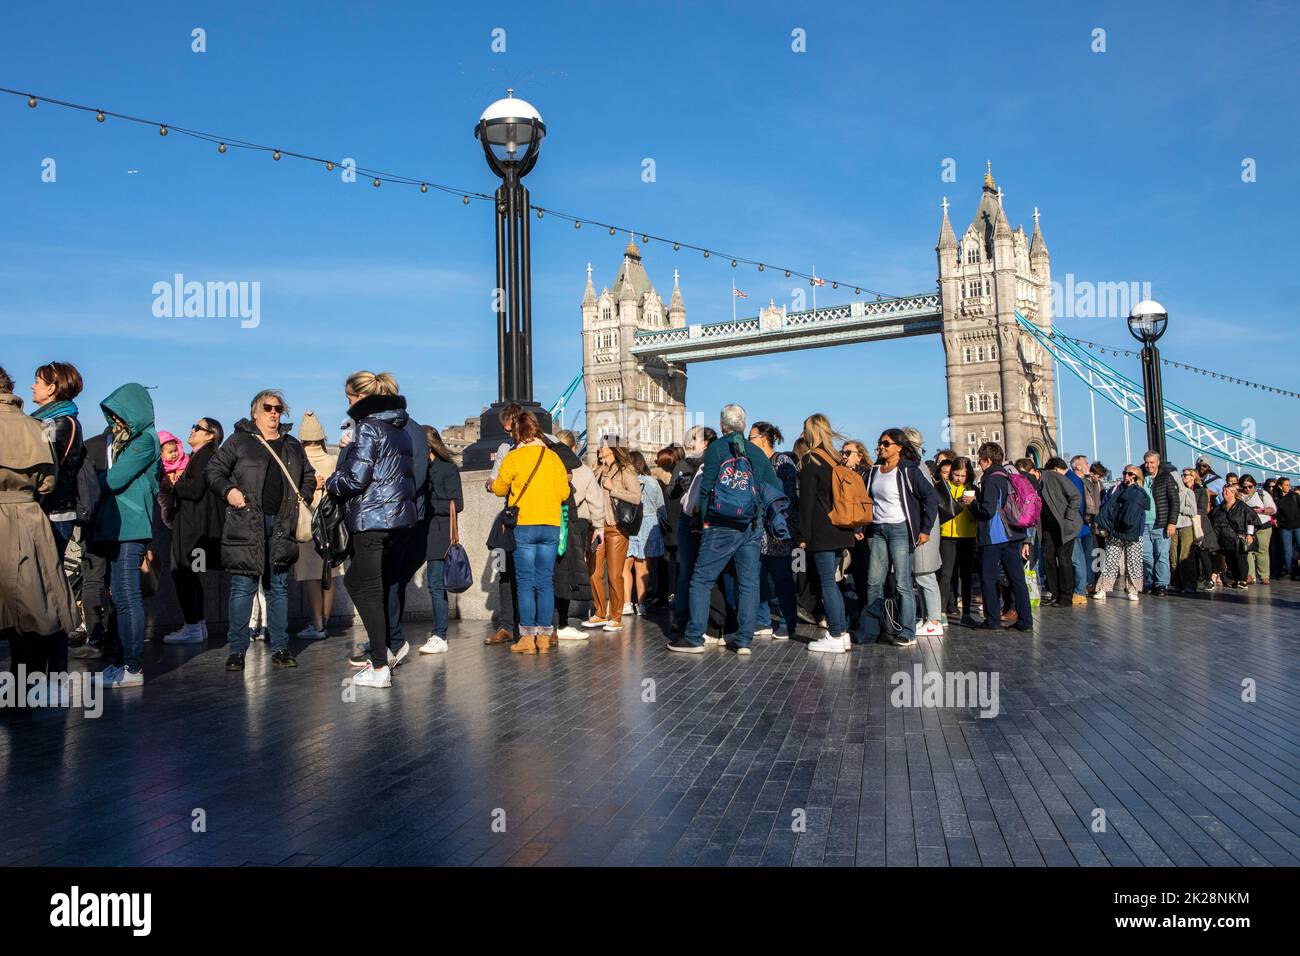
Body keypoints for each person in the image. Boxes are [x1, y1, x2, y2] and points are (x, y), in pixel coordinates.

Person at [207, 388, 316, 672]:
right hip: (246, 523)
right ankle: (237, 650)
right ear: (255, 412)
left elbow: (309, 477)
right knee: (242, 587)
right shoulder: (240, 440)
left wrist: (299, 500)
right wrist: (229, 491)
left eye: (278, 409)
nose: (273, 413)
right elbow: (213, 471)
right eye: (268, 408)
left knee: (278, 588)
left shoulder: (292, 445)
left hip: (282, 524)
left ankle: (280, 647)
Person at [666, 403, 781, 655]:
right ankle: (743, 641)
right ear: (743, 424)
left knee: (701, 579)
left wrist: (707, 522)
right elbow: (773, 486)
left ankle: (695, 637)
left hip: (720, 525)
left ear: (722, 425)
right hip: (751, 525)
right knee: (749, 583)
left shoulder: (717, 449)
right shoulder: (756, 452)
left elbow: (706, 489)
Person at [325, 371, 416, 686]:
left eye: (349, 399)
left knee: (361, 584)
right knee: (371, 584)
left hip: (373, 518)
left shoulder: (368, 428)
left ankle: (379, 667)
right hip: (398, 519)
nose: (348, 406)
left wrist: (330, 480)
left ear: (361, 398)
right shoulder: (398, 428)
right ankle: (383, 656)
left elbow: (354, 480)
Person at [1, 367, 77, 685]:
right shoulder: (37, 426)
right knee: (33, 610)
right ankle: (27, 689)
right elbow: (48, 481)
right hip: (30, 520)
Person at [95, 383, 161, 687]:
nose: (116, 421)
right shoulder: (127, 440)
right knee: (121, 596)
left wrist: (88, 482)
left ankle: (132, 667)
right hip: (120, 526)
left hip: (131, 526)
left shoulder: (145, 440)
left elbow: (116, 478)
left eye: (120, 414)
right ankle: (123, 663)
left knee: (127, 596)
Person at [849, 427, 939, 648]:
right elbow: (868, 502)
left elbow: (931, 498)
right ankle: (871, 630)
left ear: (899, 447)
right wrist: (861, 525)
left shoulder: (908, 470)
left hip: (900, 530)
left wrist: (925, 529)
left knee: (902, 583)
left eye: (886, 443)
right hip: (879, 530)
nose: (881, 446)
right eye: (879, 443)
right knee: (873, 582)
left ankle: (907, 632)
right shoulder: (874, 471)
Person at [491, 411, 568, 654]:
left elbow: (499, 488)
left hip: (524, 524)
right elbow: (565, 493)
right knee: (545, 581)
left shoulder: (514, 457)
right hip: (550, 524)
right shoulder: (553, 457)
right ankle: (544, 638)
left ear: (517, 433)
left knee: (525, 582)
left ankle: (527, 639)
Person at [793, 415, 856, 652]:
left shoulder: (811, 460)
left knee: (827, 583)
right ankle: (842, 632)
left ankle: (836, 634)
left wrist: (802, 535)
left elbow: (807, 502)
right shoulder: (835, 459)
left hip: (822, 530)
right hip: (841, 528)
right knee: (833, 584)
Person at [161, 418, 226, 644]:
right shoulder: (202, 456)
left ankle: (193, 626)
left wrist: (173, 484)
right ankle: (197, 625)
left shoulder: (205, 456)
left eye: (198, 428)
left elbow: (195, 489)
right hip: (195, 526)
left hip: (192, 527)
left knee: (183, 572)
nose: (192, 430)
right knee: (190, 575)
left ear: (210, 435)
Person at [971, 442, 1033, 630]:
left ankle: (992, 620)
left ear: (987, 460)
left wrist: (972, 502)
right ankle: (1025, 621)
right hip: (1014, 534)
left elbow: (987, 511)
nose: (979, 465)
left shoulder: (990, 479)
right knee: (1017, 579)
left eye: (980, 461)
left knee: (988, 578)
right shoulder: (1009, 476)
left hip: (994, 535)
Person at [29, 362, 85, 569]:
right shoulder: (49, 421)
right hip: (48, 509)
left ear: (51, 388)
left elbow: (45, 467)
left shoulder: (62, 423)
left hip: (54, 512)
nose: (32, 387)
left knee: (47, 577)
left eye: (37, 382)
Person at [748, 421, 799, 639]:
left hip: (778, 530)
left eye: (751, 438)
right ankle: (762, 620)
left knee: (782, 578)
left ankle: (789, 621)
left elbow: (791, 497)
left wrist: (789, 526)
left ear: (763, 439)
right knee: (757, 576)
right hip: (757, 529)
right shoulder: (752, 463)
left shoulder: (782, 461)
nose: (749, 443)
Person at [292, 412, 341, 639]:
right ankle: (326, 622)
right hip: (330, 525)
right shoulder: (333, 460)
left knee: (311, 576)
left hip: (307, 525)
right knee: (328, 574)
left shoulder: (298, 462)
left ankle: (317, 623)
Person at [584, 444, 641, 633]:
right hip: (598, 527)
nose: (599, 448)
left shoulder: (626, 470)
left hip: (616, 527)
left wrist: (613, 487)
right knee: (594, 570)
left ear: (613, 449)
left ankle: (616, 616)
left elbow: (636, 497)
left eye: (604, 445)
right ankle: (600, 613)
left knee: (614, 574)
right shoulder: (598, 469)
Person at [666, 426, 715, 632]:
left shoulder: (713, 463)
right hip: (688, 520)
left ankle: (705, 618)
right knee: (686, 570)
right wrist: (678, 485)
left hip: (708, 521)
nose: (690, 443)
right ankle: (681, 616)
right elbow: (670, 493)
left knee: (704, 572)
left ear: (704, 443)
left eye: (694, 439)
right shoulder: (682, 464)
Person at [554, 429, 602, 640]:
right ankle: (564, 622)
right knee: (569, 572)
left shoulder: (550, 467)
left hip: (551, 520)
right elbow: (595, 501)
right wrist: (599, 527)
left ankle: (549, 620)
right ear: (574, 448)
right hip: (578, 523)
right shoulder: (583, 470)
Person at [421, 426, 463, 655]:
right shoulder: (420, 469)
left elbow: (458, 503)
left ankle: (440, 635)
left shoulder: (447, 469)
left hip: (440, 532)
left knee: (436, 584)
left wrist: (429, 504)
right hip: (423, 532)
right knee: (433, 584)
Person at [484, 402, 523, 646]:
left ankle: (542, 627)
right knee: (506, 573)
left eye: (511, 430)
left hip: (536, 516)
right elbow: (493, 483)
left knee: (535, 575)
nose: (508, 435)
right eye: (506, 430)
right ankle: (507, 626)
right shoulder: (504, 448)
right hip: (511, 517)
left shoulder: (547, 443)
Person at [904, 428, 946, 637]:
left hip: (924, 528)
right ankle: (927, 618)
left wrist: (925, 528)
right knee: (920, 576)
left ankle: (935, 620)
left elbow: (927, 500)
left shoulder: (916, 466)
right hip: (922, 527)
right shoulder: (918, 465)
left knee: (925, 575)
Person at [1093, 465, 1152, 602]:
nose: (1126, 475)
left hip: (1134, 531)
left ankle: (1133, 590)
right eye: (1125, 472)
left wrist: (1133, 488)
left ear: (1137, 476)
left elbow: (1146, 507)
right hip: (1115, 530)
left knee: (1134, 562)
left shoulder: (1141, 492)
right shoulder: (1116, 488)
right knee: (1110, 561)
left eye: (1130, 473)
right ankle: (1103, 589)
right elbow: (1106, 503)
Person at [623, 450, 666, 616]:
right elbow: (661, 508)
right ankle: (641, 604)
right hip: (648, 525)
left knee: (625, 566)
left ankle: (627, 603)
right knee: (642, 569)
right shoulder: (653, 483)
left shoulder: (626, 480)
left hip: (630, 524)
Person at [938, 456, 979, 626]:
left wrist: (973, 503)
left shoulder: (973, 489)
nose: (959, 479)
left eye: (962, 476)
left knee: (966, 575)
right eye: (956, 475)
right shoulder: (943, 488)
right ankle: (941, 612)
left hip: (967, 535)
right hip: (947, 535)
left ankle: (967, 612)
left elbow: (980, 512)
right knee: (946, 574)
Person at [1038, 458, 1083, 608]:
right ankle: (1054, 593)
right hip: (1049, 527)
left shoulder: (1053, 476)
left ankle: (1065, 597)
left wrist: (1068, 519)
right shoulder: (1038, 483)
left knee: (1064, 559)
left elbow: (1076, 496)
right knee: (1048, 557)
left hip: (1066, 527)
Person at [1139, 451, 1179, 596]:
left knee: (1161, 555)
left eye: (1152, 462)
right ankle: (1149, 582)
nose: (1149, 465)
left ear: (1158, 462)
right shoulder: (1141, 477)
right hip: (1143, 524)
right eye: (1147, 462)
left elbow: (1175, 501)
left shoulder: (1166, 477)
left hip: (1161, 523)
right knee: (1146, 555)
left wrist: (1172, 523)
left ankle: (1161, 584)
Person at [1210, 484, 1254, 588]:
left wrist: (1250, 534)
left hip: (1238, 539)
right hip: (1224, 539)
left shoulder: (1242, 507)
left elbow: (1251, 520)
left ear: (1233, 493)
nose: (1224, 494)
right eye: (1223, 491)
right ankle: (1236, 579)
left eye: (1227, 492)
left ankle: (1242, 580)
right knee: (1230, 561)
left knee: (1240, 560)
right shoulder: (1219, 508)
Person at [1066, 455, 1097, 601]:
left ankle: (1081, 589)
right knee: (1083, 559)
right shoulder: (1076, 481)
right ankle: (1084, 587)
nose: (1088, 465)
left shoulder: (1079, 481)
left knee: (1080, 559)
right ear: (1078, 466)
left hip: (1081, 525)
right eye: (1085, 463)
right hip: (1082, 525)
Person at [1239, 474, 1275, 584]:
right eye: (1244, 487)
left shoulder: (1262, 494)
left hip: (1263, 525)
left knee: (1262, 551)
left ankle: (1264, 575)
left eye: (1250, 486)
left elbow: (1273, 509)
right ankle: (1250, 575)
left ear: (1254, 485)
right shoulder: (1239, 496)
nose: (1247, 489)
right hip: (1246, 527)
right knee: (1247, 550)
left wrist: (1261, 511)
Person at [1172, 467, 1200, 593]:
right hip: (1172, 526)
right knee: (1173, 555)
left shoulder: (1188, 492)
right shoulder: (1169, 494)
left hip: (1185, 525)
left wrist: (1178, 508)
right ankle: (1176, 582)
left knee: (1185, 555)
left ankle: (1189, 584)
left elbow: (1193, 511)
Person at [1274, 477, 1300, 581]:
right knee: (1287, 550)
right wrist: (1276, 520)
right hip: (1284, 527)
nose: (1288, 487)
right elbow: (1276, 511)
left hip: (1297, 525)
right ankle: (1289, 571)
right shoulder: (1277, 498)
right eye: (1286, 485)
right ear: (1280, 486)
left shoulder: (1295, 496)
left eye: (1289, 485)